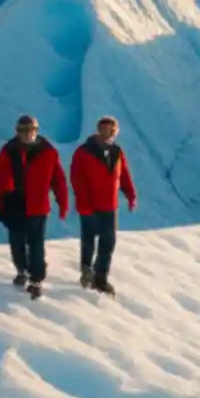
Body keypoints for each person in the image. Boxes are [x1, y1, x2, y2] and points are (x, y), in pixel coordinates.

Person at [0, 114, 68, 299]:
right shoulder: (9, 151)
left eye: (31, 129)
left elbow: (58, 179)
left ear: (36, 131)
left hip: (38, 206)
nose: (28, 133)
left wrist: (63, 202)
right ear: (18, 132)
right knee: (17, 242)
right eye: (24, 130)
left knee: (36, 244)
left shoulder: (48, 152)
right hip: (15, 204)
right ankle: (21, 270)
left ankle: (36, 280)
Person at [70, 115, 137, 296]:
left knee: (108, 242)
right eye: (105, 128)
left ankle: (100, 278)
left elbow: (123, 175)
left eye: (111, 129)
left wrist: (130, 194)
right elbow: (76, 178)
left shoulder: (117, 152)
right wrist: (84, 199)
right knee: (90, 240)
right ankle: (86, 269)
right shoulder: (83, 152)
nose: (108, 132)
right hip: (89, 205)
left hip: (109, 205)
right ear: (99, 129)